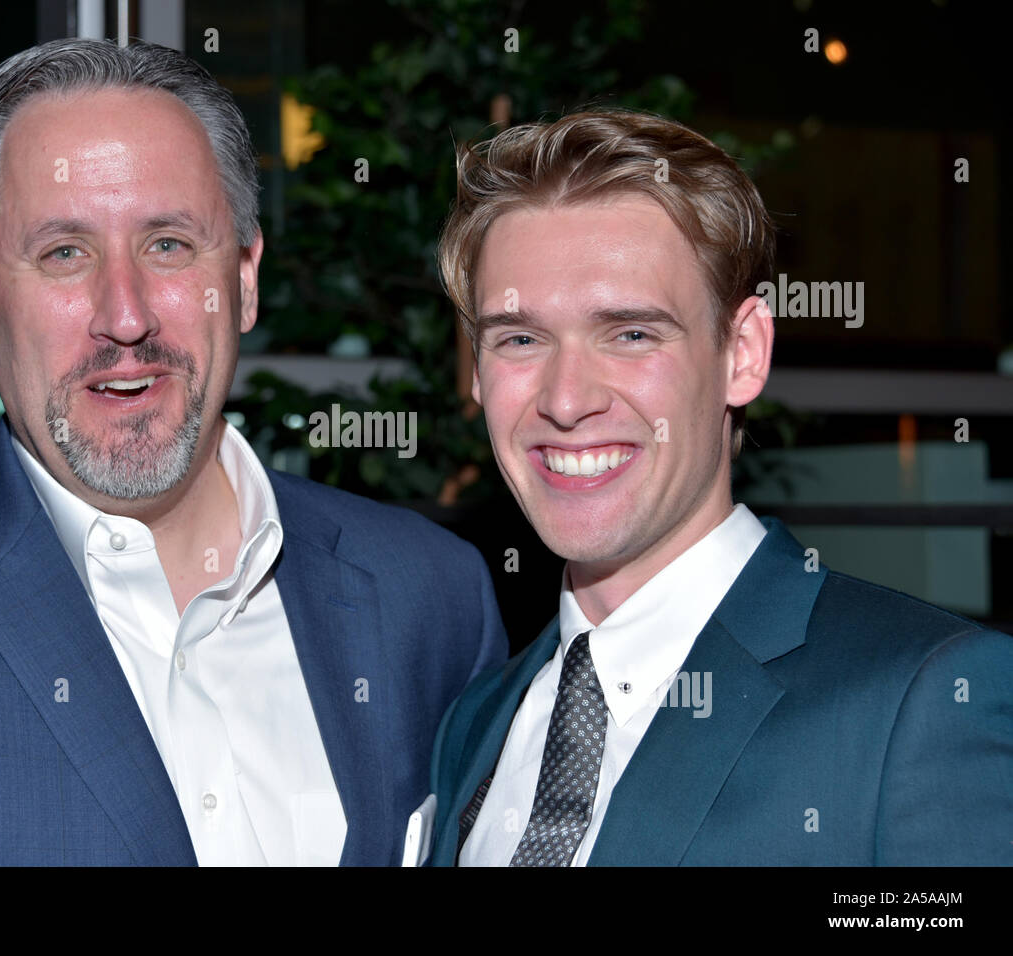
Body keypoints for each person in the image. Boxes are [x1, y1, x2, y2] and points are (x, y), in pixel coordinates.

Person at [0, 38, 507, 867]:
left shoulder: (430, 598)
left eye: (168, 244)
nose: (124, 315)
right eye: (65, 253)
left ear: (243, 278)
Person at [425, 109, 1012, 866]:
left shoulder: (925, 702)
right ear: (475, 371)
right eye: (520, 339)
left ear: (743, 354)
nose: (565, 400)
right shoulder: (475, 721)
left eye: (631, 333)